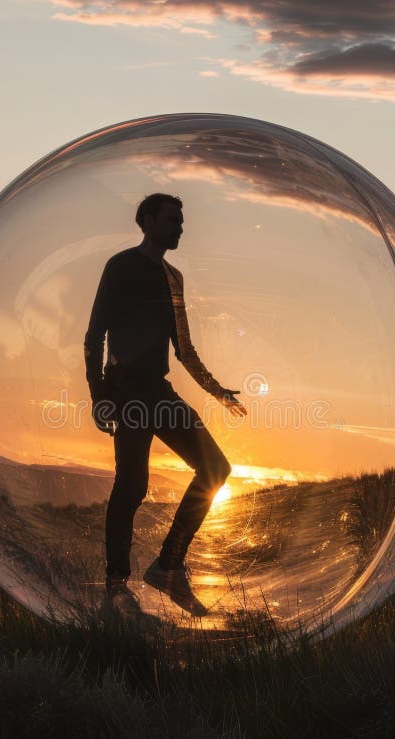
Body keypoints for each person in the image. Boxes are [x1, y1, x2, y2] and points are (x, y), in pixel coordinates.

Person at [84, 193, 247, 616]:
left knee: (216, 469)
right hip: (125, 392)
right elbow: (94, 334)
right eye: (172, 219)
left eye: (181, 220)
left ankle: (168, 566)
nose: (180, 227)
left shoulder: (173, 277)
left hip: (158, 392)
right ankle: (116, 584)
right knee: (133, 485)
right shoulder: (120, 266)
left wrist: (217, 391)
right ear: (148, 221)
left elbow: (184, 349)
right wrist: (99, 395)